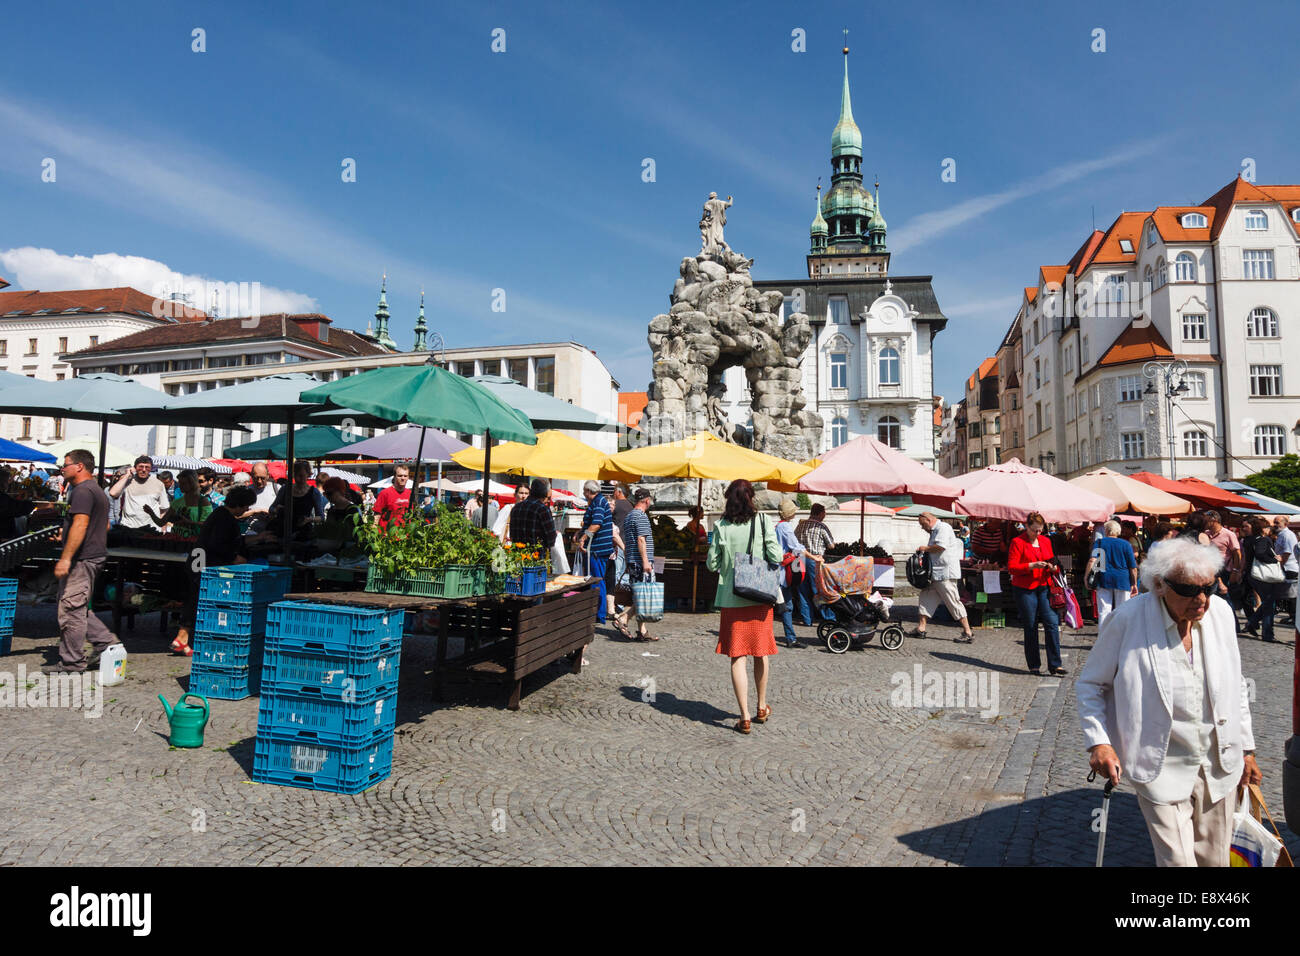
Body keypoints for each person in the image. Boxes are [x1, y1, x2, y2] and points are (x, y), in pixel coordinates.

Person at [1078, 537, 1259, 867]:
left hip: (1218, 762)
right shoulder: (1128, 619)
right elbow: (1091, 685)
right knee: (1178, 862)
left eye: (1208, 588)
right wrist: (1099, 744)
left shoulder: (1220, 614)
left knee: (1215, 861)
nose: (1201, 599)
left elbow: (1237, 685)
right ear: (1159, 584)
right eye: (1189, 591)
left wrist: (1246, 749)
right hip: (1158, 763)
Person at [707, 479, 783, 733]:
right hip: (760, 596)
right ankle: (762, 706)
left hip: (732, 598)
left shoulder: (721, 526)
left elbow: (711, 563)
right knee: (761, 652)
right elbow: (776, 557)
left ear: (729, 499)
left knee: (737, 656)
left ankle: (745, 716)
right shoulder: (763, 522)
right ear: (752, 498)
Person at [44, 449, 120, 674]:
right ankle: (107, 643)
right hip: (89, 555)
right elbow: (102, 525)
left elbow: (81, 524)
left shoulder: (83, 491)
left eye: (65, 464)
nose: (62, 469)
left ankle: (72, 663)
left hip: (82, 558)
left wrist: (66, 558)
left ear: (79, 466)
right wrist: (65, 537)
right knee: (75, 606)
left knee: (70, 610)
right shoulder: (94, 490)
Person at [171, 484, 257, 655]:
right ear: (239, 504)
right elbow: (216, 544)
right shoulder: (224, 518)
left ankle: (182, 639)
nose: (247, 509)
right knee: (196, 600)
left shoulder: (220, 514)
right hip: (203, 565)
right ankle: (182, 638)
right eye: (246, 506)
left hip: (198, 562)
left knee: (194, 600)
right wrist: (234, 558)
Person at [1007, 512, 1065, 676]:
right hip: (1025, 588)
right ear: (1027, 526)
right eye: (1034, 530)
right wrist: (1031, 566)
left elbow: (1054, 563)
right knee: (1030, 625)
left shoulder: (1046, 541)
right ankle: (1034, 665)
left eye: (1040, 530)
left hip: (1045, 586)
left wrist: (1054, 568)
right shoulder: (1017, 542)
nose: (1037, 534)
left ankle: (1055, 664)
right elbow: (1012, 567)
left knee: (1052, 623)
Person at [912, 511, 974, 643]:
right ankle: (921, 628)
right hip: (936, 573)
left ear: (928, 520)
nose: (922, 527)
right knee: (925, 597)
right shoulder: (935, 531)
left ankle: (968, 632)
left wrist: (925, 548)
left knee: (952, 601)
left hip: (945, 573)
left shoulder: (943, 528)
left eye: (923, 524)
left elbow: (940, 547)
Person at [613, 488, 657, 641]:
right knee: (645, 596)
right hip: (640, 562)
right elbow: (641, 540)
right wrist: (645, 561)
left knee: (639, 595)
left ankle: (642, 630)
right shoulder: (640, 516)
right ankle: (623, 618)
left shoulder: (630, 515)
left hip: (632, 559)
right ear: (646, 500)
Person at [1086, 520, 1138, 630]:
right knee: (1123, 609)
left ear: (1106, 530)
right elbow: (1133, 567)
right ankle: (1121, 636)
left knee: (1104, 610)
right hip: (1122, 579)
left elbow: (1092, 560)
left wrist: (1086, 577)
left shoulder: (1100, 542)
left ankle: (1103, 638)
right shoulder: (1126, 544)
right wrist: (1134, 583)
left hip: (1104, 578)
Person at [575, 480, 614, 624]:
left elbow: (596, 524)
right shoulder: (598, 502)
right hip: (598, 548)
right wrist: (580, 532)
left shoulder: (598, 503)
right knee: (597, 580)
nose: (584, 495)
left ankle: (598, 614)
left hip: (597, 550)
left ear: (588, 491)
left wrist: (583, 538)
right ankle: (597, 613)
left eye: (585, 492)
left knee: (596, 581)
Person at [794, 503, 836, 625]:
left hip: (798, 559)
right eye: (824, 513)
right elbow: (831, 545)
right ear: (821, 513)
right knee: (818, 590)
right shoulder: (821, 526)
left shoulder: (800, 525)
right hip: (814, 560)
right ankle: (828, 618)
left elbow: (794, 542)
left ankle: (807, 619)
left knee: (802, 591)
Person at [1242, 517, 1282, 641]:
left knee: (1267, 602)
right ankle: (1267, 634)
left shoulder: (1248, 540)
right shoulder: (1262, 540)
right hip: (1261, 575)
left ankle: (1252, 623)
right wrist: (1275, 559)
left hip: (1251, 574)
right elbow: (1260, 554)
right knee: (1269, 603)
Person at [773, 498, 806, 648]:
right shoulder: (785, 527)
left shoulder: (778, 526)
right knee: (787, 605)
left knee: (785, 604)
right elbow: (795, 546)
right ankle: (790, 638)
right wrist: (811, 555)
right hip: (781, 573)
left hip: (777, 570)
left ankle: (790, 637)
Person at [108, 455, 171, 530]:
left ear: (151, 468)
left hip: (151, 529)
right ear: (135, 468)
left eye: (147, 467)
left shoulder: (158, 484)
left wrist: (163, 529)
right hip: (129, 528)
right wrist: (127, 475)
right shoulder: (128, 481)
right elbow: (113, 493)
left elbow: (163, 510)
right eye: (141, 466)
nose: (144, 470)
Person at [142, 469, 212, 536]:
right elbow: (161, 523)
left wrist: (188, 522)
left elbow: (208, 525)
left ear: (192, 483)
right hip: (176, 540)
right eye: (179, 483)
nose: (180, 486)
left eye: (184, 483)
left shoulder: (203, 501)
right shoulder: (177, 502)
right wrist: (151, 513)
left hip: (193, 542)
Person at [269, 461, 326, 540]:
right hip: (283, 532)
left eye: (302, 475)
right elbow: (271, 508)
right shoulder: (285, 489)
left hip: (303, 535)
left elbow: (321, 517)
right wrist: (276, 509)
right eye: (296, 475)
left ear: (308, 475)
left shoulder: (314, 492)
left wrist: (309, 519)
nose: (298, 479)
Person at [1202, 510, 1241, 606]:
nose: (1204, 522)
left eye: (1206, 520)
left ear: (1214, 520)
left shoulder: (1229, 534)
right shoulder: (1205, 533)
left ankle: (1232, 620)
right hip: (1209, 571)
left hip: (1223, 572)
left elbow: (1237, 554)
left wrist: (1235, 571)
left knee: (1225, 598)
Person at [509, 477, 556, 548]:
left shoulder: (516, 508)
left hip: (517, 555)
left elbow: (512, 535)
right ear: (545, 492)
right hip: (536, 556)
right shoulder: (543, 509)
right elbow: (551, 538)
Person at [1272, 514, 1298, 623]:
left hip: (1289, 567)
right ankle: (1292, 615)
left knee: (1292, 594)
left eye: (1277, 523)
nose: (1275, 525)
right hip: (1286, 567)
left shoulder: (1287, 535)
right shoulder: (1282, 534)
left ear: (1285, 524)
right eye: (1274, 522)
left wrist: (1281, 564)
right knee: (1288, 594)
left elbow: (1287, 552)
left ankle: (1294, 617)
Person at [0, 467, 36, 541]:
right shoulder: (3, 498)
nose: (8, 484)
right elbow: (19, 508)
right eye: (6, 481)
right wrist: (30, 500)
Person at [374, 464, 412, 529]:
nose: (403, 478)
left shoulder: (410, 493)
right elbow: (377, 514)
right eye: (400, 476)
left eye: (405, 476)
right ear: (394, 476)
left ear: (408, 477)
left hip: (405, 535)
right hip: (388, 535)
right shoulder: (384, 493)